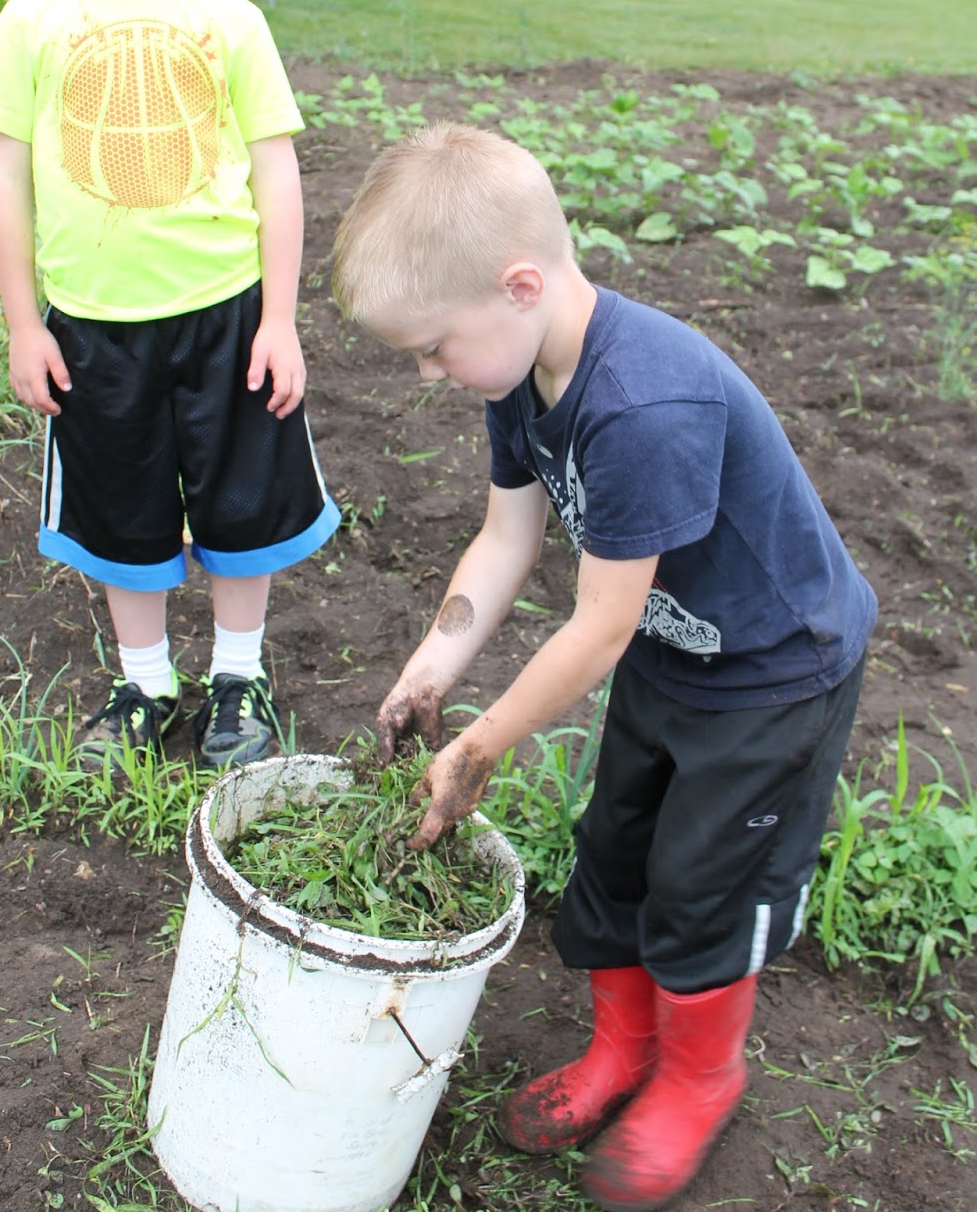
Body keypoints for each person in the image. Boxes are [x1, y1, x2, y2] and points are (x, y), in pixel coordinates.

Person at [331, 120, 877, 1212]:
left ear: (520, 285)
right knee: (616, 850)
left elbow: (598, 628)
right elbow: (505, 539)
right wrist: (430, 671)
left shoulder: (643, 406)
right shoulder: (519, 374)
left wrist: (480, 746)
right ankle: (624, 1048)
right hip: (678, 654)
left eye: (433, 347)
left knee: (703, 886)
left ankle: (698, 1077)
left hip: (774, 676)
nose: (431, 374)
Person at [0, 0, 339, 771]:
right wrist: (24, 323)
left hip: (228, 314)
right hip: (92, 324)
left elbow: (277, 172)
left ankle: (238, 677)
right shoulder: (32, 20)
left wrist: (279, 319)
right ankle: (145, 684)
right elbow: (3, 178)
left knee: (243, 505)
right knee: (120, 510)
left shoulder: (231, 20)